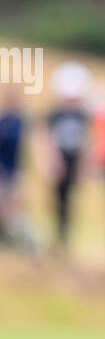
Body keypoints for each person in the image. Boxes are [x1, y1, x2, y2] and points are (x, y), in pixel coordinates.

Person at [45, 62, 91, 247]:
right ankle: (58, 234)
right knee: (58, 198)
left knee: (71, 199)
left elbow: (85, 141)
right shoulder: (55, 114)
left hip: (74, 159)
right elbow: (50, 139)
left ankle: (66, 236)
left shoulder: (82, 115)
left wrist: (83, 165)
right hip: (60, 159)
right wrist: (54, 161)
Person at [0, 87, 26, 245]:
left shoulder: (22, 122)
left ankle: (13, 237)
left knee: (15, 205)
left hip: (15, 169)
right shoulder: (3, 121)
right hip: (3, 169)